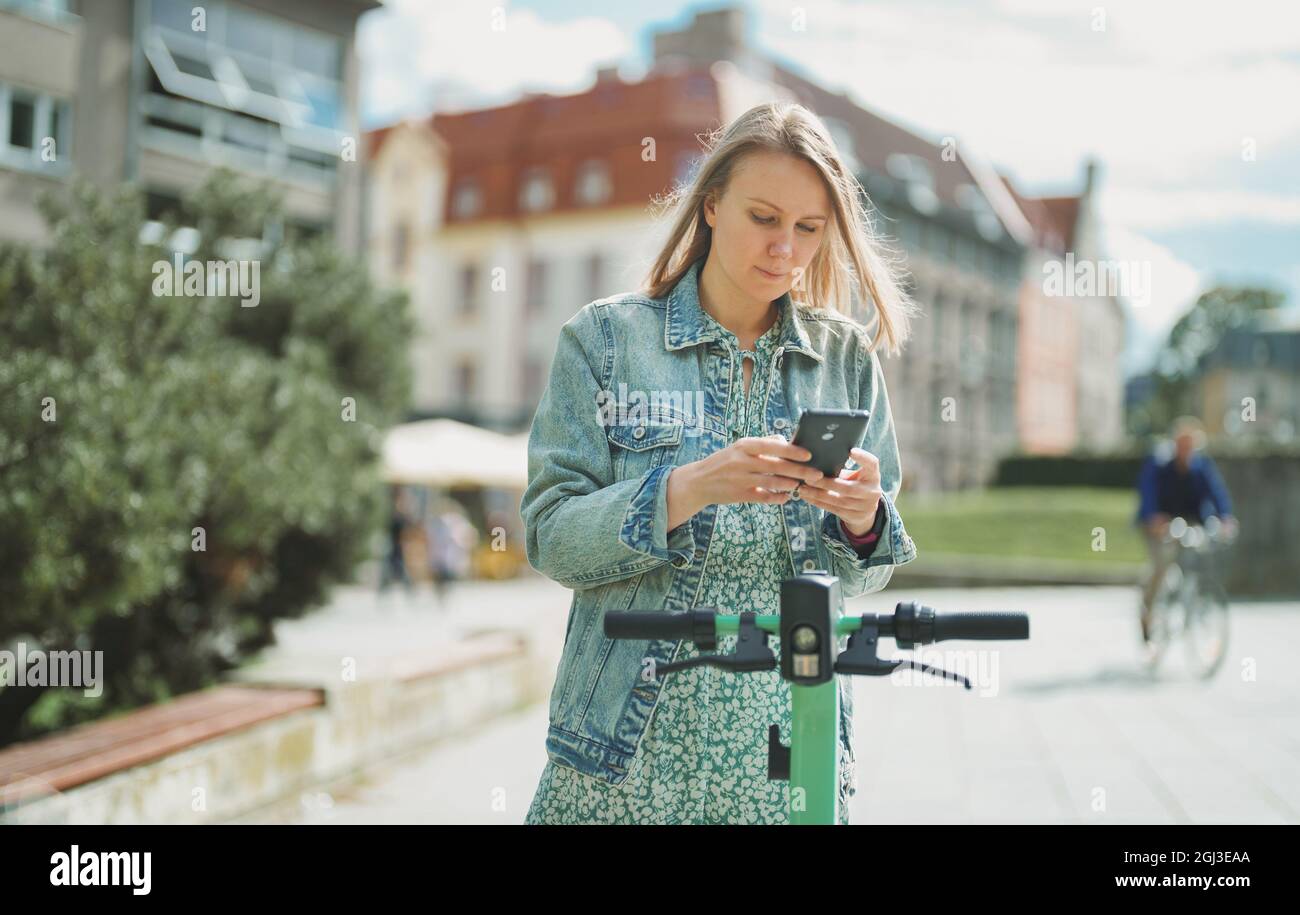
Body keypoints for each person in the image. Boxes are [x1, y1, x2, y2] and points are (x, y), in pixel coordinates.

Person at [520, 101, 920, 825]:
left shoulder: (846, 359)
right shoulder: (603, 340)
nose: (785, 250)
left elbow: (869, 568)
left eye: (808, 228)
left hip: (789, 748)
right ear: (711, 205)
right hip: (622, 755)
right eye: (763, 218)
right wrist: (684, 490)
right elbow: (549, 534)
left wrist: (865, 520)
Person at [1134, 416, 1237, 642]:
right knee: (1162, 565)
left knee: (1199, 551)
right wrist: (1154, 517)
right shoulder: (1160, 463)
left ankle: (1193, 597)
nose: (1186, 450)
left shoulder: (1201, 467)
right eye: (1182, 444)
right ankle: (1148, 611)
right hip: (1158, 523)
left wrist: (1225, 518)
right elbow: (1148, 490)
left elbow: (1217, 493)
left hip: (1189, 520)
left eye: (1190, 445)